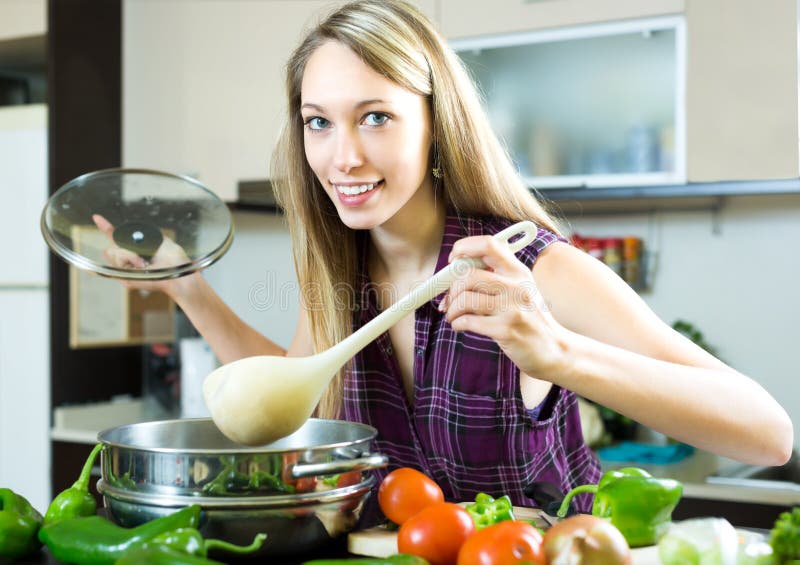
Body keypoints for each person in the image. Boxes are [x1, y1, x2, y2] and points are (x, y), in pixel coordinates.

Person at [108, 0, 792, 513]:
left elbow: (767, 434)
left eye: (375, 116)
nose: (342, 155)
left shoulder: (531, 268)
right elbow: (290, 396)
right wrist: (188, 288)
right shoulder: (340, 275)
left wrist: (557, 354)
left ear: (437, 126)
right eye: (319, 121)